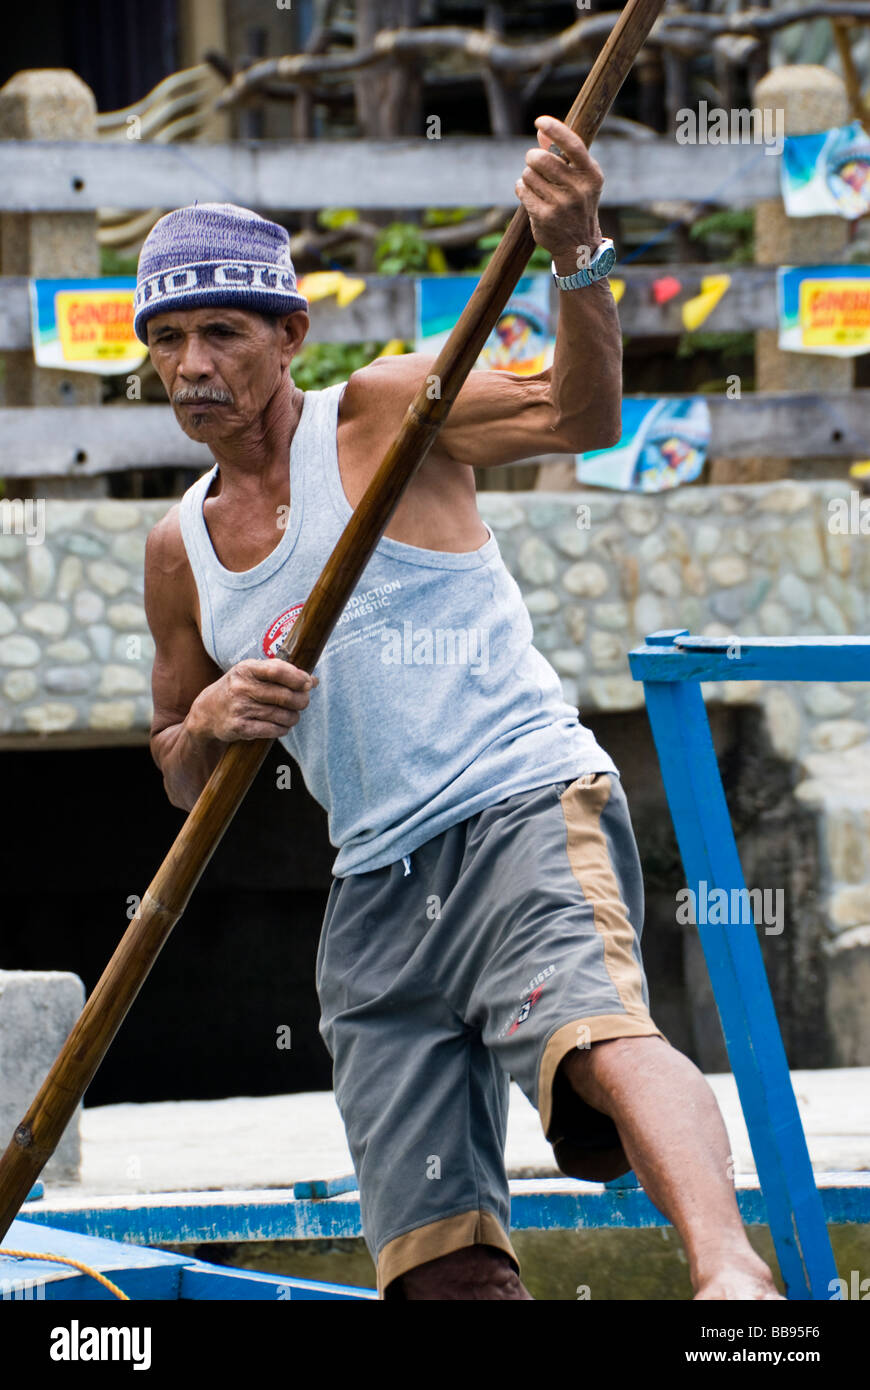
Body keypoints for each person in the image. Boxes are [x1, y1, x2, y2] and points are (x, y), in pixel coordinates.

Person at [141, 116, 782, 1301]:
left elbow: (579, 419)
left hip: (517, 808)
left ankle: (731, 1274)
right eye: (168, 339)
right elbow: (177, 762)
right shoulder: (176, 549)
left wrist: (577, 253)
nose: (192, 365)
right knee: (436, 1263)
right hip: (374, 890)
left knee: (593, 1043)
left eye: (222, 332)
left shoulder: (384, 412)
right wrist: (218, 714)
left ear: (290, 336)